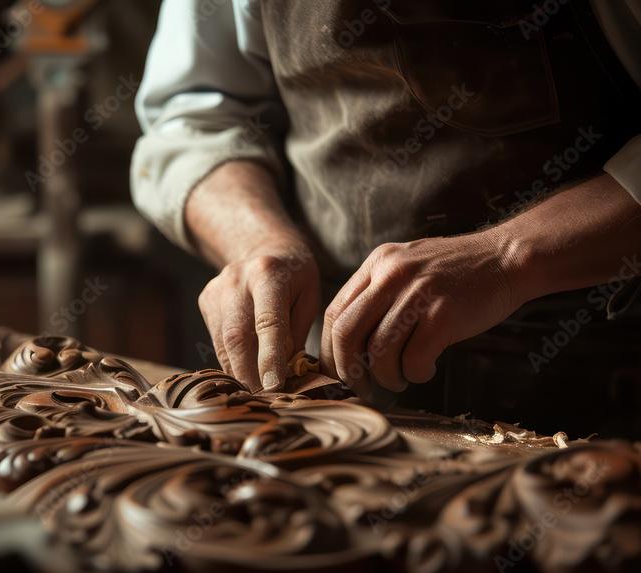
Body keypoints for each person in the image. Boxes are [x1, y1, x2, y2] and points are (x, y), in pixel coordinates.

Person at [130, 0, 641, 434]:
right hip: (342, 368)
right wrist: (257, 241)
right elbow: (194, 116)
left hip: (600, 368)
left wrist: (510, 257)